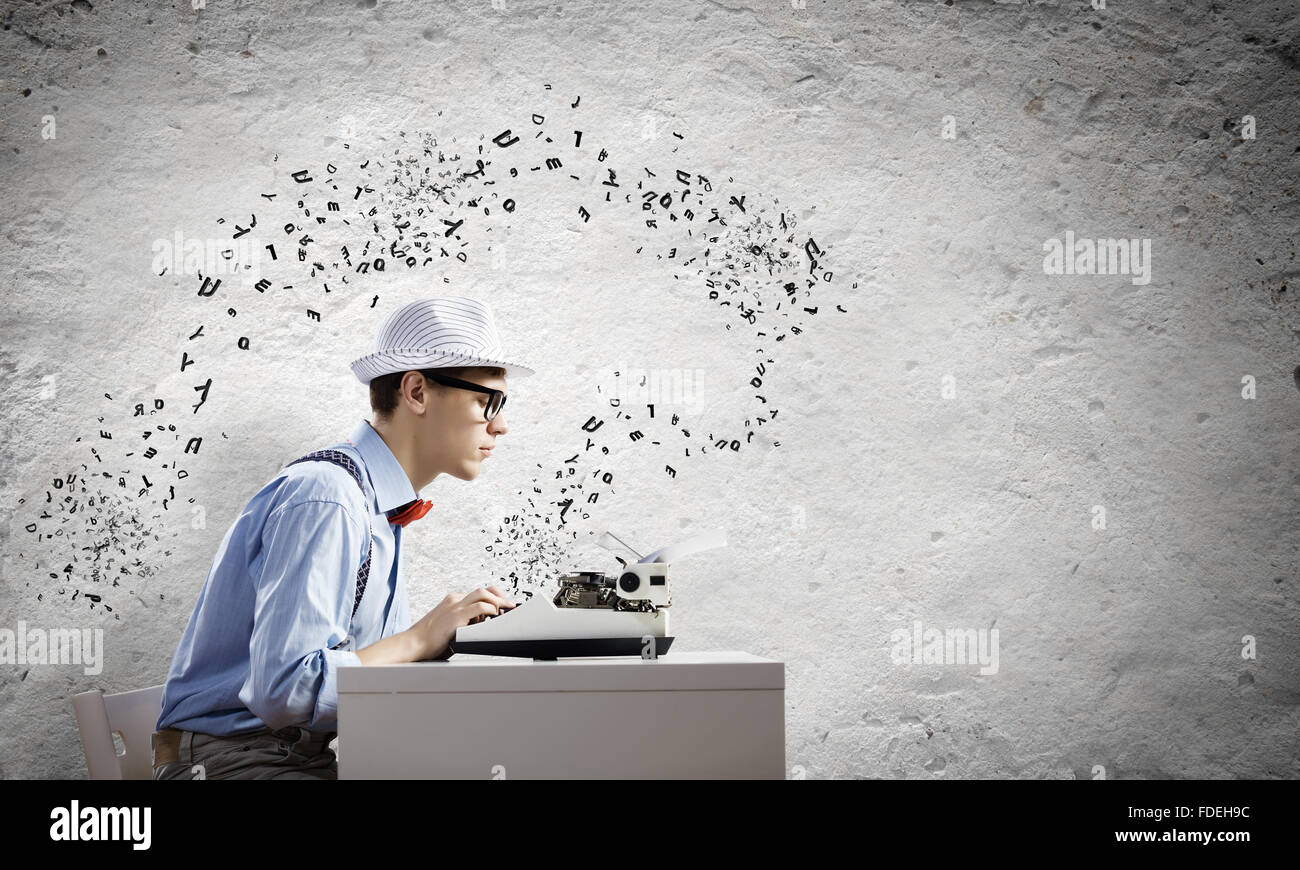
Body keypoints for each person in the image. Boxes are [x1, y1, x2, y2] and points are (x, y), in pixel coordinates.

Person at [151, 297, 534, 779]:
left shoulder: (376, 505)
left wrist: (451, 643)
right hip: (235, 764)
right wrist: (421, 636)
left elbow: (363, 679)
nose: (501, 425)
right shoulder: (328, 497)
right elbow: (286, 690)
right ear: (416, 391)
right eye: (488, 401)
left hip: (296, 760)